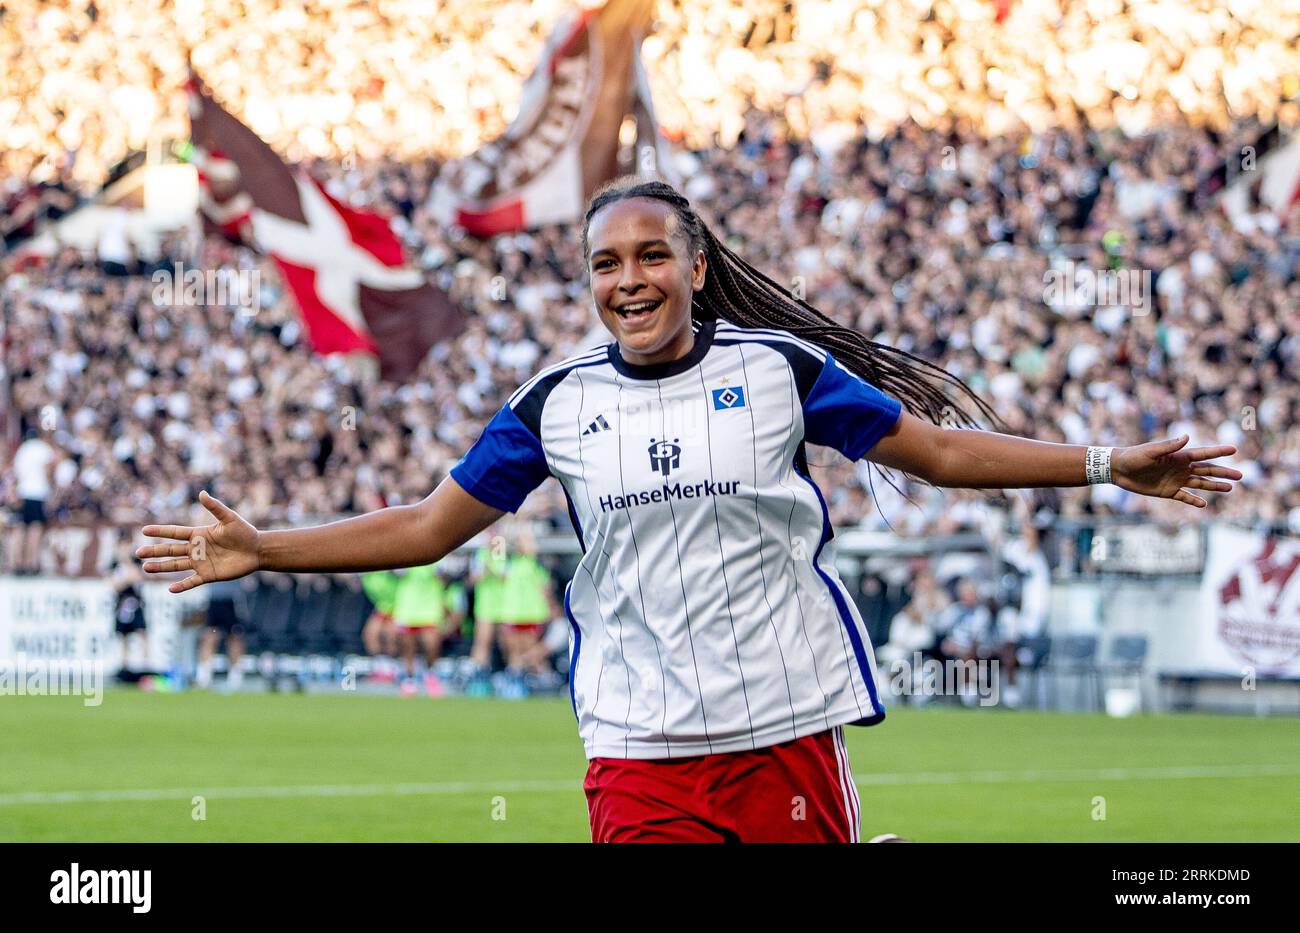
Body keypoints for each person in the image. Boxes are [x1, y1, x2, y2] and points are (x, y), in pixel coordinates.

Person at [138, 177, 1242, 843]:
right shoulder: (555, 406)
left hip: (779, 732)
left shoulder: (778, 370)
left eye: (651, 255)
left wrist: (1102, 463)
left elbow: (942, 451)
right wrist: (263, 545)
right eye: (605, 263)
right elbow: (428, 528)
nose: (629, 278)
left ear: (696, 266)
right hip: (635, 744)